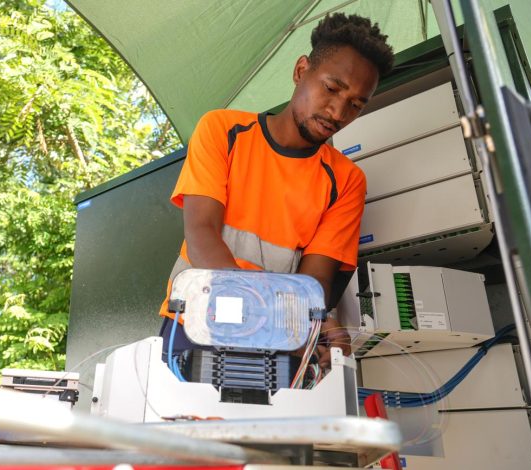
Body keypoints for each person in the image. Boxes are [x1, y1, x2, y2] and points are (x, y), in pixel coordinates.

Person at [159, 13, 394, 369]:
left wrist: (307, 324)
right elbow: (201, 234)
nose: (338, 111)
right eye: (332, 88)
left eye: (356, 104)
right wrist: (274, 311)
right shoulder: (222, 130)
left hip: (278, 340)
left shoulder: (346, 180)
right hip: (194, 323)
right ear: (301, 71)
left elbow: (316, 280)